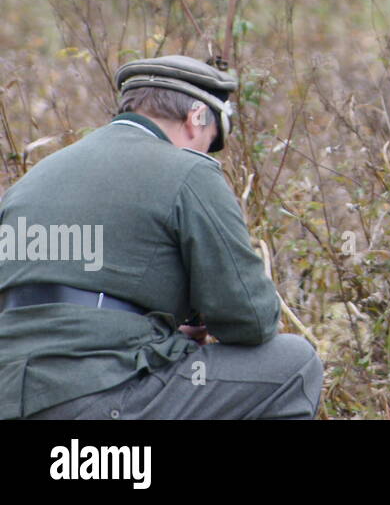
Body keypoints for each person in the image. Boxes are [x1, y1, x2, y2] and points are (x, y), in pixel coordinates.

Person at [0, 55, 323, 420]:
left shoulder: (28, 183)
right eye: (210, 140)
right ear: (195, 117)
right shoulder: (189, 172)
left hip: (11, 396)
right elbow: (250, 319)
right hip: (99, 393)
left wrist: (161, 332)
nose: (205, 151)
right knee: (293, 364)